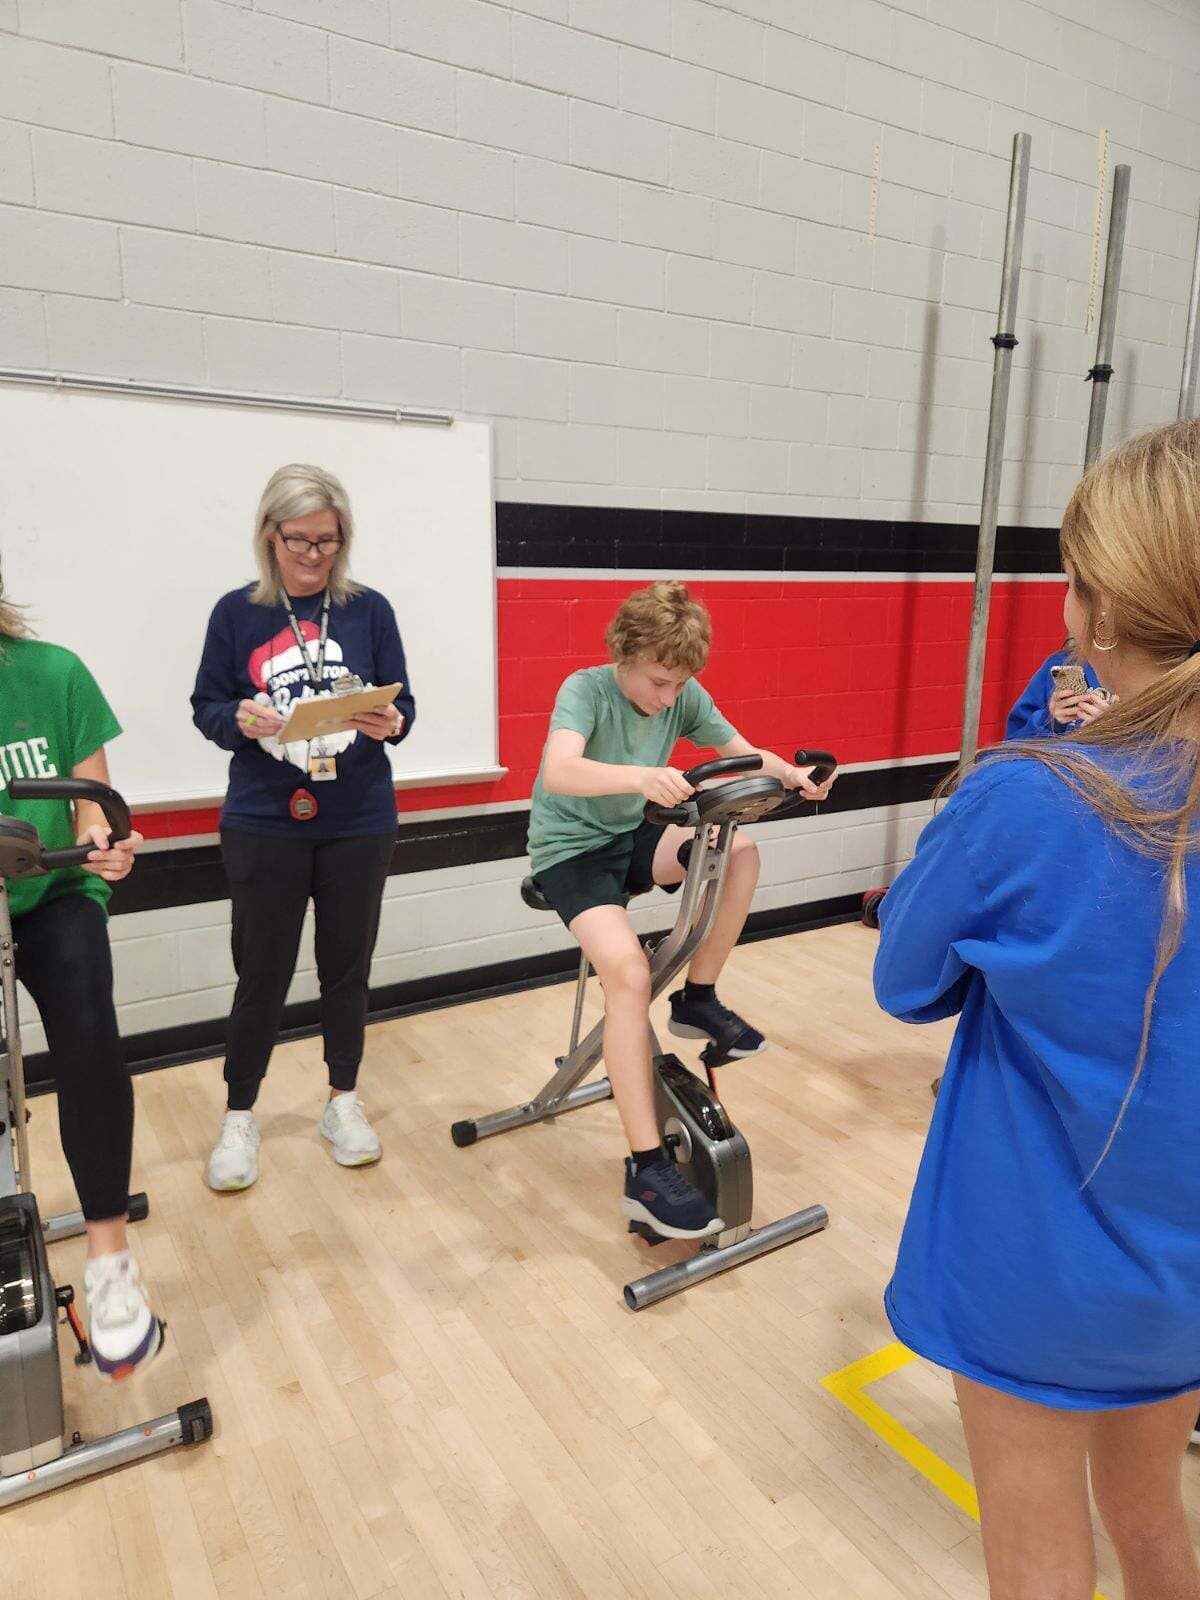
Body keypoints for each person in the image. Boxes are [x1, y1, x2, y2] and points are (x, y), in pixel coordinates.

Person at [874, 419, 1200, 1600]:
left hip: (1032, 1275)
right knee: (1151, 1512)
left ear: (1103, 607)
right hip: (1181, 1277)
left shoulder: (1027, 799)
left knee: (1038, 1553)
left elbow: (905, 980)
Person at [527, 580, 834, 1241]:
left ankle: (699, 997)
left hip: (630, 835)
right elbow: (559, 770)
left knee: (739, 850)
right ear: (627, 654)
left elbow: (741, 751)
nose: (669, 699)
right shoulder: (586, 690)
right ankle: (644, 1169)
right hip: (571, 852)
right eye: (659, 683)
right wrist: (640, 778)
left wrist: (793, 777)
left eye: (678, 686)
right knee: (630, 978)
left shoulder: (682, 694)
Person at [191, 464, 415, 1192]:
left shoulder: (369, 609)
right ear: (270, 535)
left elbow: (402, 704)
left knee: (347, 966)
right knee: (262, 972)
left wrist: (393, 719)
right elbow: (207, 707)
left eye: (328, 540)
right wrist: (239, 718)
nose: (315, 555)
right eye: (299, 541)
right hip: (264, 819)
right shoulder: (237, 613)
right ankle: (239, 1114)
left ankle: (341, 1102)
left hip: (358, 816)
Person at [0, 576, 158, 1379]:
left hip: (54, 893)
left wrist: (106, 840)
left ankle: (109, 1260)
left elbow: (92, 803)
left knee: (91, 1038)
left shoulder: (53, 673)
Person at [1005, 641, 1109, 739]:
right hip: (1052, 752)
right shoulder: (1062, 663)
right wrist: (1049, 722)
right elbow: (1012, 744)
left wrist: (1114, 727)